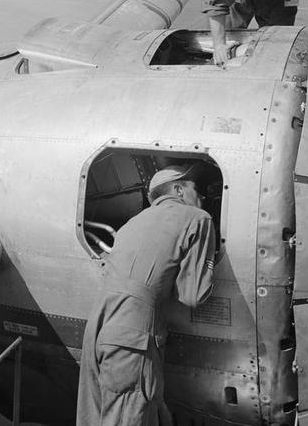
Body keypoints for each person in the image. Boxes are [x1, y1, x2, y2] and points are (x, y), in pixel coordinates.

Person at [76, 163, 216, 426]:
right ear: (178, 190)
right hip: (133, 333)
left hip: (98, 327)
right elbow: (193, 295)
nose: (204, 196)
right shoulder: (197, 218)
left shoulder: (132, 223)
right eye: (197, 188)